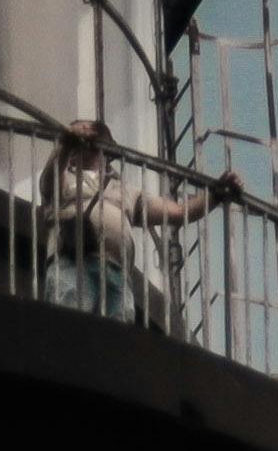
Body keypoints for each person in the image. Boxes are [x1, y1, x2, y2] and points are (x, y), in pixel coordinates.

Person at [40, 115, 206, 319]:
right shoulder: (63, 177)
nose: (74, 139)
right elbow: (48, 180)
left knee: (116, 340)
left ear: (102, 145)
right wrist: (65, 145)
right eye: (72, 136)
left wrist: (217, 195)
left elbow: (179, 213)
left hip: (116, 271)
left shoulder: (125, 191)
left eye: (81, 134)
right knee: (70, 326)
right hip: (72, 264)